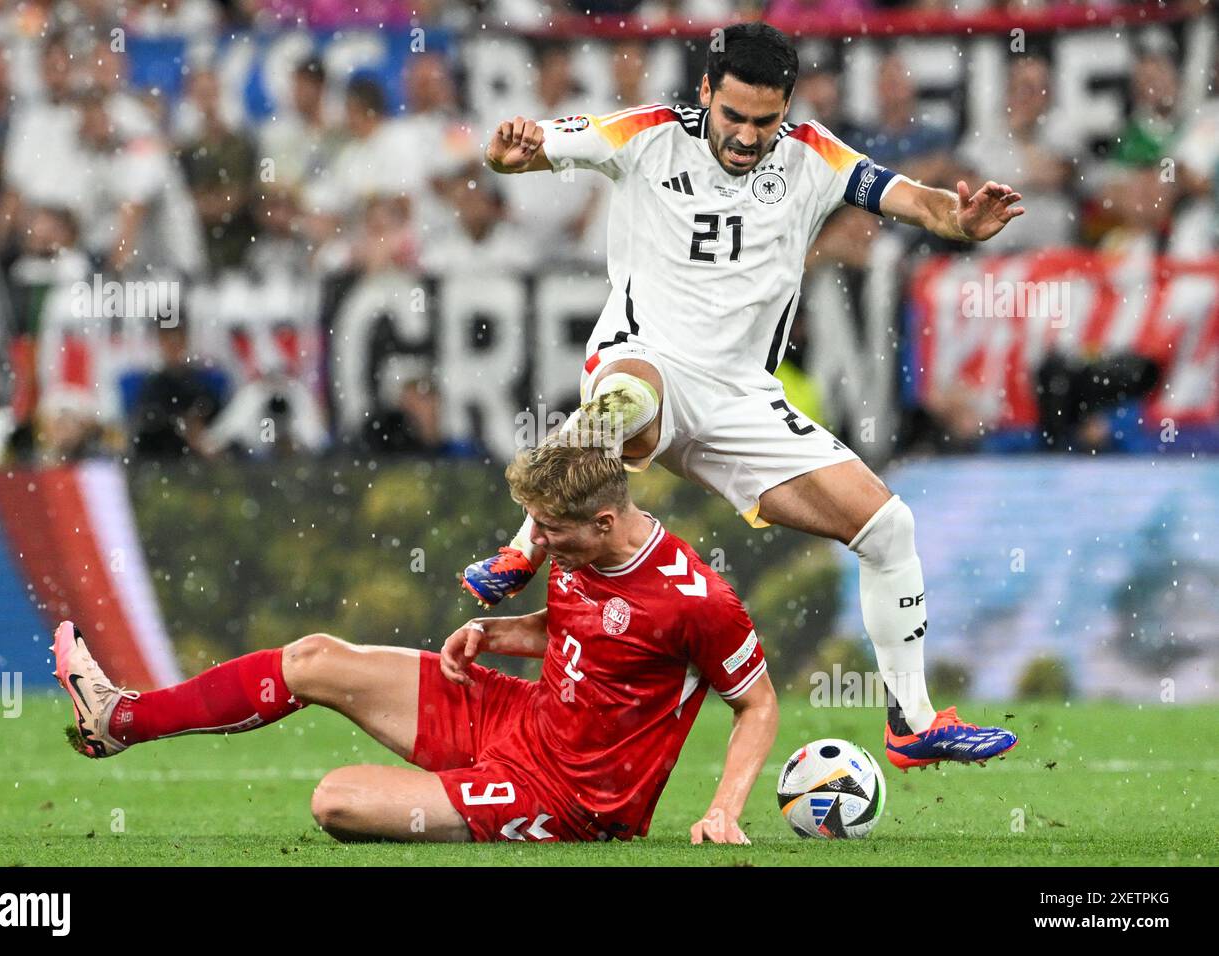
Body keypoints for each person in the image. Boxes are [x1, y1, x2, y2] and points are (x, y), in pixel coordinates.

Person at [463, 21, 1022, 771]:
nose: (748, 137)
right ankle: (524, 544)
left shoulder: (813, 155)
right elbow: (526, 150)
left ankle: (910, 724)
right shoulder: (648, 135)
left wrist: (960, 219)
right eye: (734, 118)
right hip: (644, 359)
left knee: (888, 529)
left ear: (786, 106)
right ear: (705, 94)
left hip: (740, 399)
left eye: (765, 121)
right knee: (626, 405)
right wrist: (507, 155)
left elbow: (911, 199)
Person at [51, 439, 779, 844]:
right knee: (313, 659)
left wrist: (723, 808)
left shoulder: (698, 601)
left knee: (336, 800)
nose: (537, 544)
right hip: (522, 719)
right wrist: (498, 632)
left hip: (570, 797)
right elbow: (588, 636)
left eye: (550, 532)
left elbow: (758, 705)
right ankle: (120, 719)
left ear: (605, 523)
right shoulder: (582, 548)